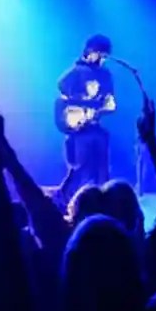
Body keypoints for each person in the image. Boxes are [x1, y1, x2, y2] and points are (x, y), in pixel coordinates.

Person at [56, 34, 116, 203]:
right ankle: (67, 200)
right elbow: (61, 86)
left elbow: (110, 102)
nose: (102, 57)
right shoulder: (77, 71)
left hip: (96, 127)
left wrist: (104, 107)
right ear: (89, 51)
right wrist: (79, 103)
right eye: (99, 52)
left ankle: (104, 201)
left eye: (105, 54)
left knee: (102, 168)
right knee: (80, 168)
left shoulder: (105, 75)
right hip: (79, 130)